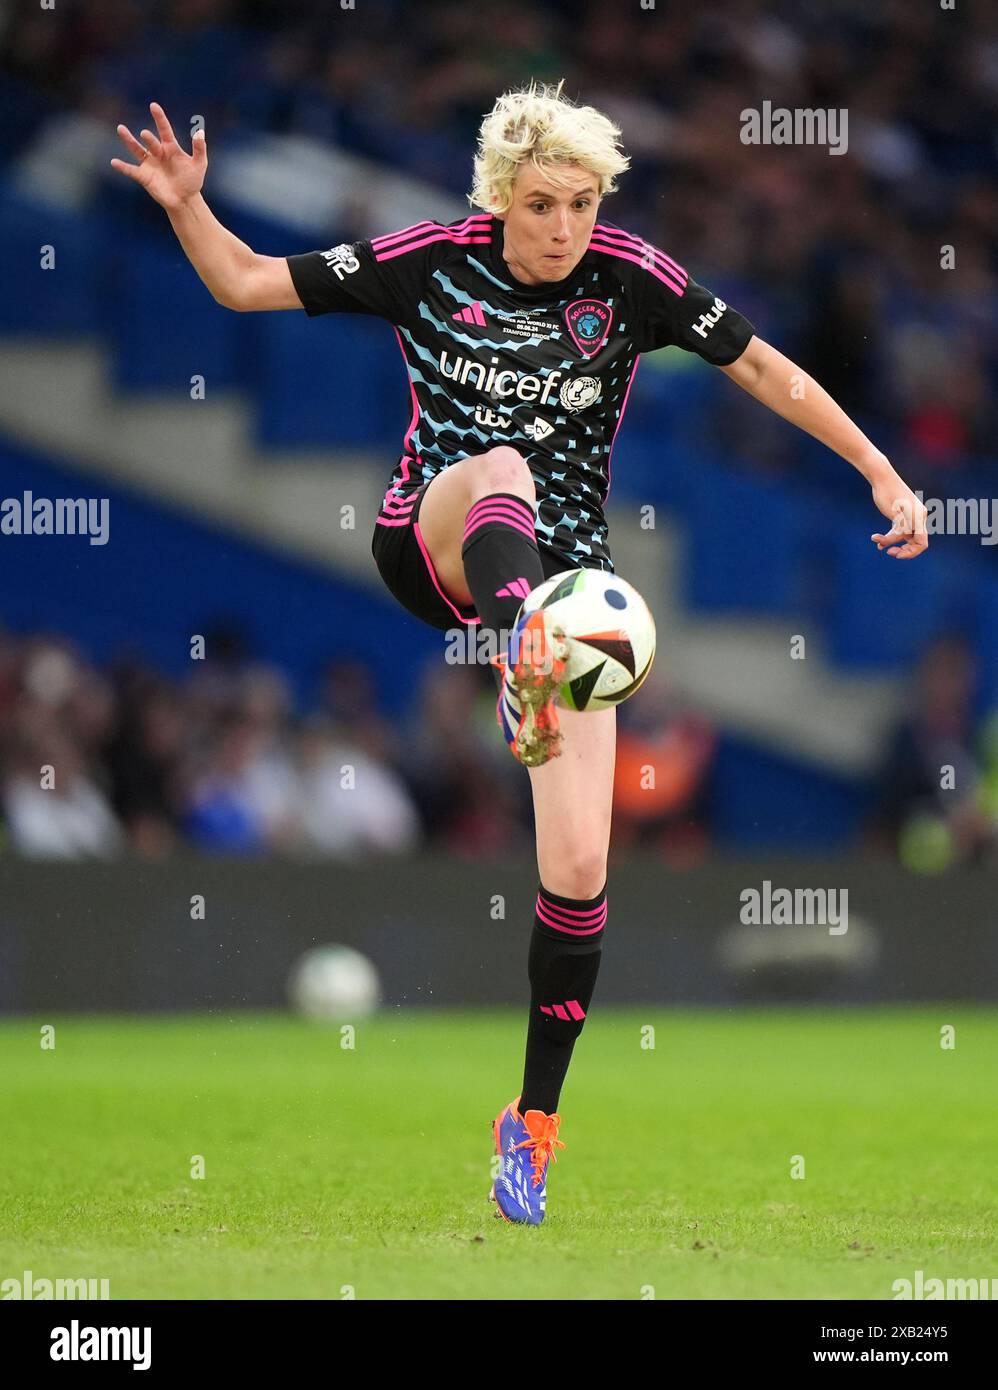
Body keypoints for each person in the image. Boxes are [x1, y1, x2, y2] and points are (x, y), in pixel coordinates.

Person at [112, 79, 929, 1226]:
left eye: (583, 204)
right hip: (437, 538)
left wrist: (875, 468)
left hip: (565, 588)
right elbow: (248, 282)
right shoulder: (430, 259)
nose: (563, 227)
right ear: (500, 195)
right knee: (499, 466)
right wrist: (189, 206)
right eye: (543, 203)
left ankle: (530, 1123)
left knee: (582, 871)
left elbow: (757, 366)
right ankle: (516, 647)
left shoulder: (629, 278)